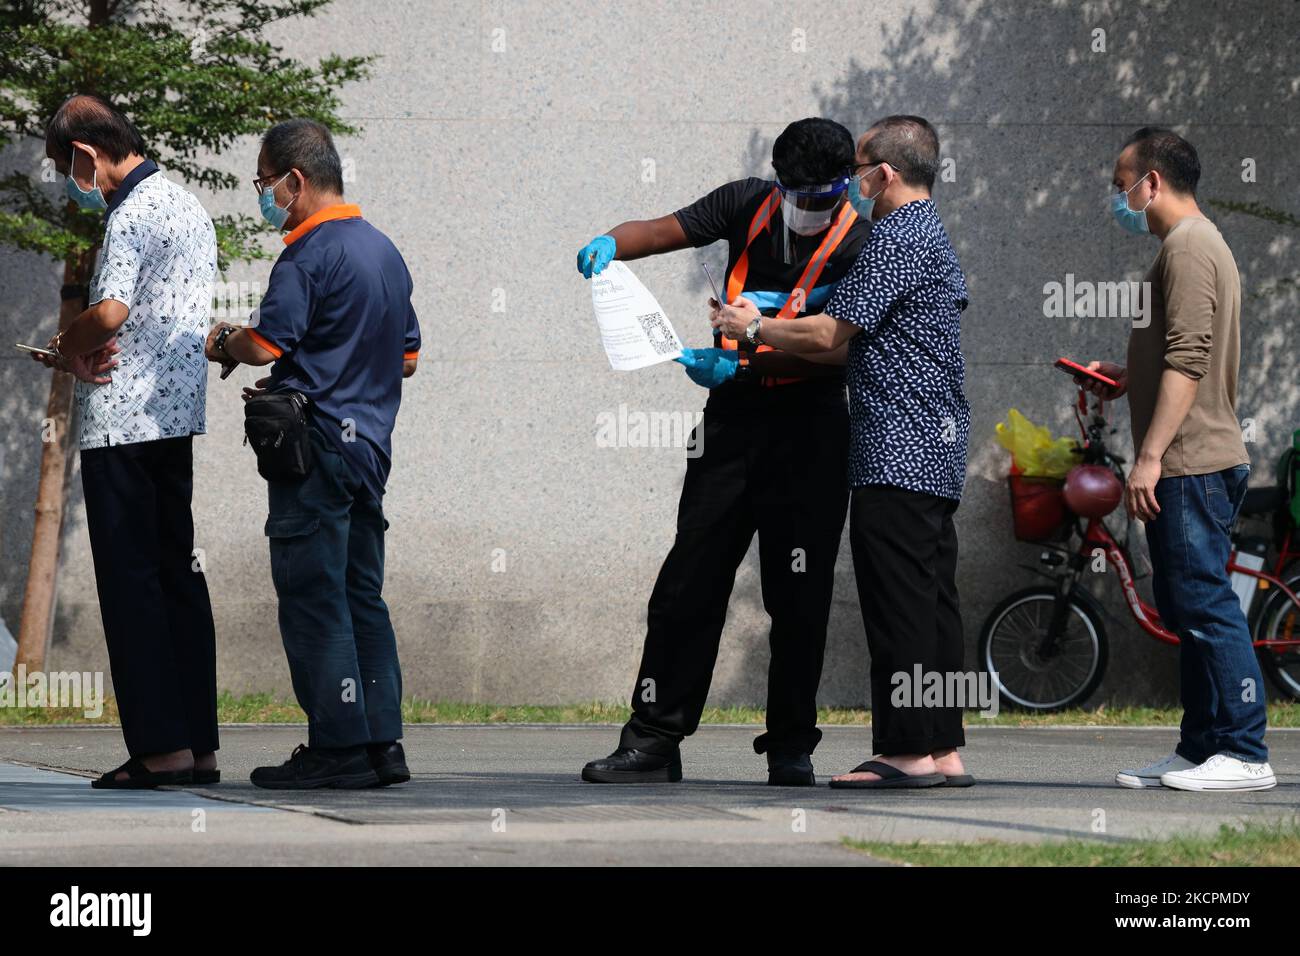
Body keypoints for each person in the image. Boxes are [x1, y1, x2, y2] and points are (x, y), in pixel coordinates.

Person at [576, 117, 872, 786]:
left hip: (812, 428)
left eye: (819, 199)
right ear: (778, 184)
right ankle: (652, 739)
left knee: (798, 594)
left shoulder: (863, 243)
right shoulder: (745, 203)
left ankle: (791, 744)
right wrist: (609, 244)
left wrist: (747, 359)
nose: (805, 211)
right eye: (794, 196)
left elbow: (843, 350)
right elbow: (657, 232)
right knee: (688, 580)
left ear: (845, 188)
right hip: (732, 425)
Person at [713, 115, 973, 789]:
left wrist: (754, 326)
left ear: (883, 173)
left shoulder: (893, 237)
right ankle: (943, 746)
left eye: (860, 169)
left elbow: (831, 333)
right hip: (936, 447)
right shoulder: (934, 234)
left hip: (897, 448)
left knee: (900, 605)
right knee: (935, 600)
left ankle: (908, 751)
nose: (852, 183)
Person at [205, 119, 420, 790]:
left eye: (265, 182)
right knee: (362, 597)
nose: (264, 195)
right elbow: (407, 359)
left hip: (317, 450)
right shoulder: (384, 250)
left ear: (295, 182)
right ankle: (382, 743)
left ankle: (336, 745)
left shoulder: (306, 254)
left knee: (312, 598)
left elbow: (266, 345)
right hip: (369, 451)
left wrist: (224, 343)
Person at [31, 94, 220, 789]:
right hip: (175, 420)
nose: (74, 188)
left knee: (132, 584)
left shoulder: (131, 213)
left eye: (68, 170)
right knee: (177, 577)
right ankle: (197, 745)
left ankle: (160, 749)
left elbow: (109, 311)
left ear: (85, 154)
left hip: (123, 423)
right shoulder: (187, 205)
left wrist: (63, 346)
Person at [1081, 128, 1274, 792]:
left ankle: (1247, 752)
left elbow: (1191, 359)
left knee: (1204, 601)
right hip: (1190, 459)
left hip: (1192, 461)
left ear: (1152, 182)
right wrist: (1128, 371)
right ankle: (1198, 749)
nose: (1119, 197)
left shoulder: (1189, 248)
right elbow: (1177, 350)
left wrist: (1150, 457)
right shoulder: (1188, 247)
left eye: (1121, 184)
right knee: (1186, 603)